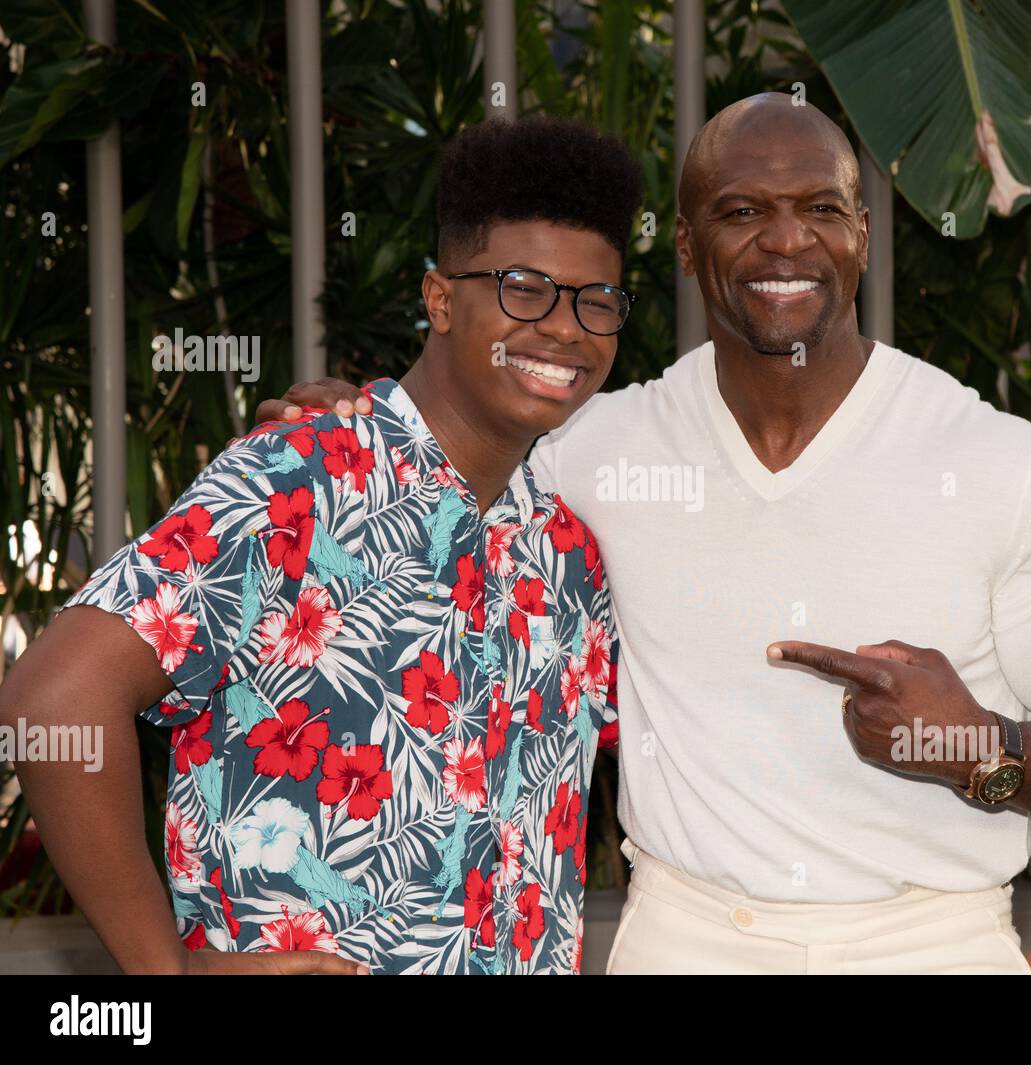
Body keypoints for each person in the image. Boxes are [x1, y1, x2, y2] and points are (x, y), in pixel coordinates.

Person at [260, 95, 1031, 975]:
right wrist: (342, 426)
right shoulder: (591, 452)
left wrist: (981, 747)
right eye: (744, 210)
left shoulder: (992, 460)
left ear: (862, 234)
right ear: (692, 250)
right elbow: (440, 459)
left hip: (934, 940)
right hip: (688, 936)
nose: (787, 238)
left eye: (821, 205)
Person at [0, 116, 642, 975]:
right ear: (441, 299)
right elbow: (54, 701)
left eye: (595, 300)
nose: (564, 328)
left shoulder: (568, 555)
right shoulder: (298, 481)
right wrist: (168, 972)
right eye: (524, 287)